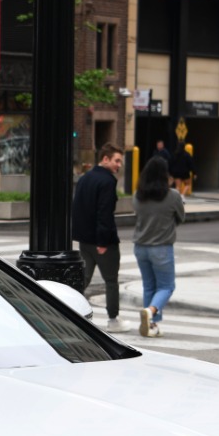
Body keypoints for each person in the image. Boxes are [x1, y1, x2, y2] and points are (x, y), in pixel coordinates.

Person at [70, 143, 126, 330]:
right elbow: (105, 214)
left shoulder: (85, 178)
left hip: (85, 241)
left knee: (83, 280)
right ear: (105, 159)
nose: (119, 165)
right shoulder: (107, 182)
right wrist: (103, 242)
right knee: (111, 281)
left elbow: (77, 207)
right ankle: (113, 320)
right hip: (103, 243)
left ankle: (69, 312)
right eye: (117, 160)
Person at [132, 158, 186, 338]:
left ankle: (152, 324)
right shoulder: (173, 196)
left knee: (149, 286)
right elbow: (181, 217)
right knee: (166, 286)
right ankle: (152, 311)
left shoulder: (137, 196)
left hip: (140, 247)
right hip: (161, 247)